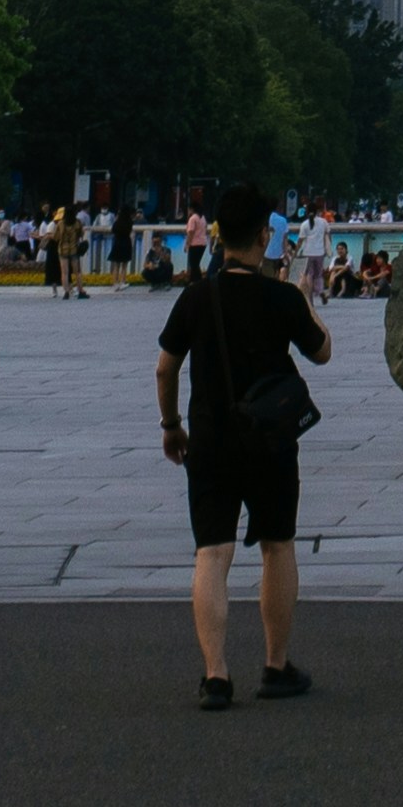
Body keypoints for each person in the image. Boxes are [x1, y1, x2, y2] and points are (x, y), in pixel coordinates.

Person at [153, 196, 331, 708]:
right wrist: (305, 298)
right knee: (278, 545)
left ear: (216, 237)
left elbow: (164, 369)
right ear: (262, 239)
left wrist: (171, 425)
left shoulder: (196, 298)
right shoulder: (280, 298)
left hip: (208, 439)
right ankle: (276, 666)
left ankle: (216, 675)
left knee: (212, 552)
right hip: (270, 442)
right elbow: (322, 352)